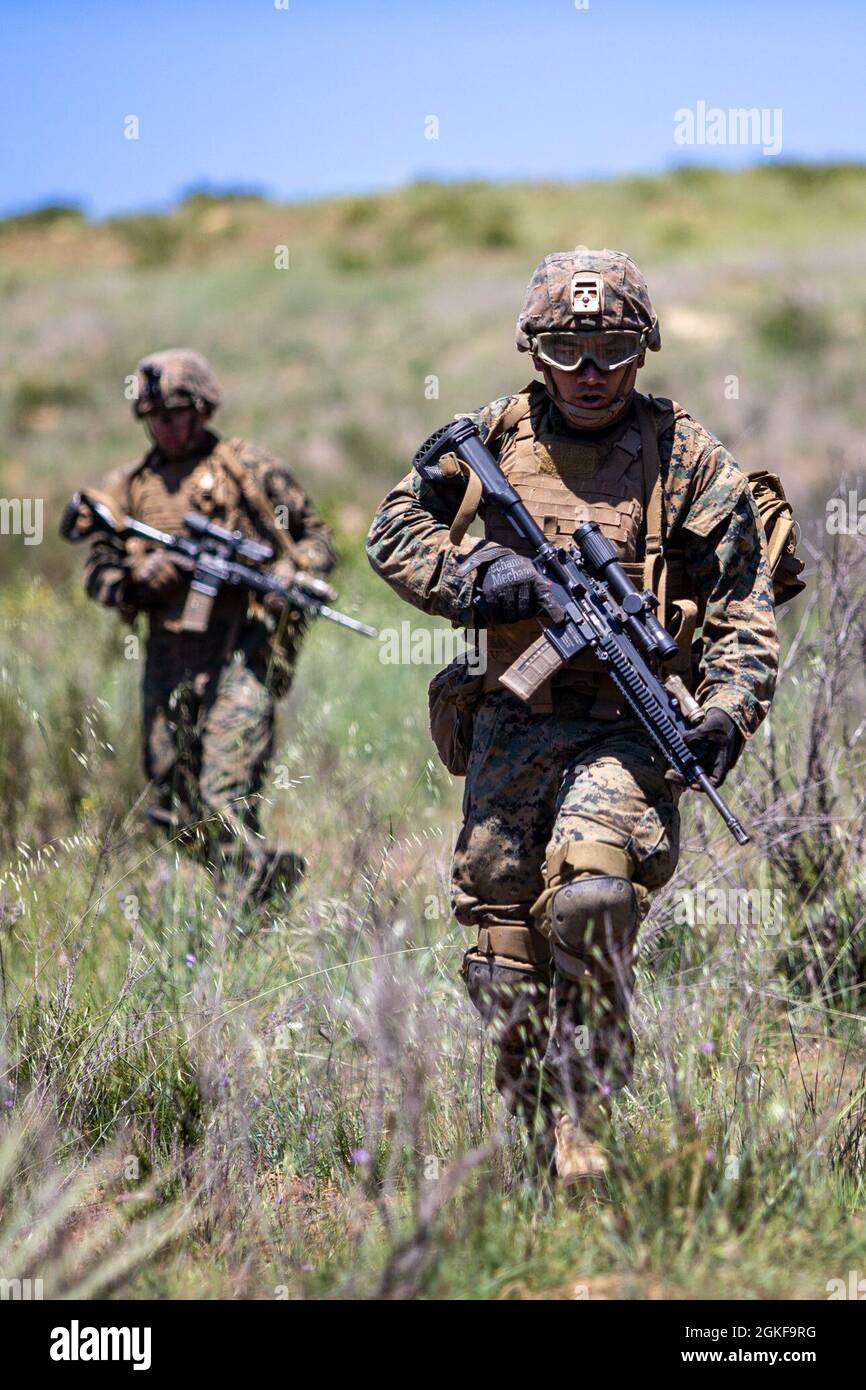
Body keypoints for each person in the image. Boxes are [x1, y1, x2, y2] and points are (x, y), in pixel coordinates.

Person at [366, 248, 779, 1183]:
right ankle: (535, 1125)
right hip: (512, 723)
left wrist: (727, 708)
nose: (590, 372)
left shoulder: (687, 454)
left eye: (613, 348)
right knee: (505, 962)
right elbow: (392, 533)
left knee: (592, 897)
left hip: (631, 727)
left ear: (645, 350)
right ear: (534, 350)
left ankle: (585, 1114)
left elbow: (744, 605)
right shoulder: (493, 438)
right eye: (566, 350)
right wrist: (483, 576)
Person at [82, 348, 336, 900]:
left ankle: (241, 918)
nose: (166, 428)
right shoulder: (128, 488)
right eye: (155, 417)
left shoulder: (248, 470)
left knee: (226, 792)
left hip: (243, 648)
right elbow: (96, 570)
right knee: (171, 800)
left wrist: (290, 572)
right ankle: (257, 878)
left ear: (202, 409)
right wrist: (139, 575)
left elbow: (317, 540)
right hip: (169, 655)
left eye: (175, 414)